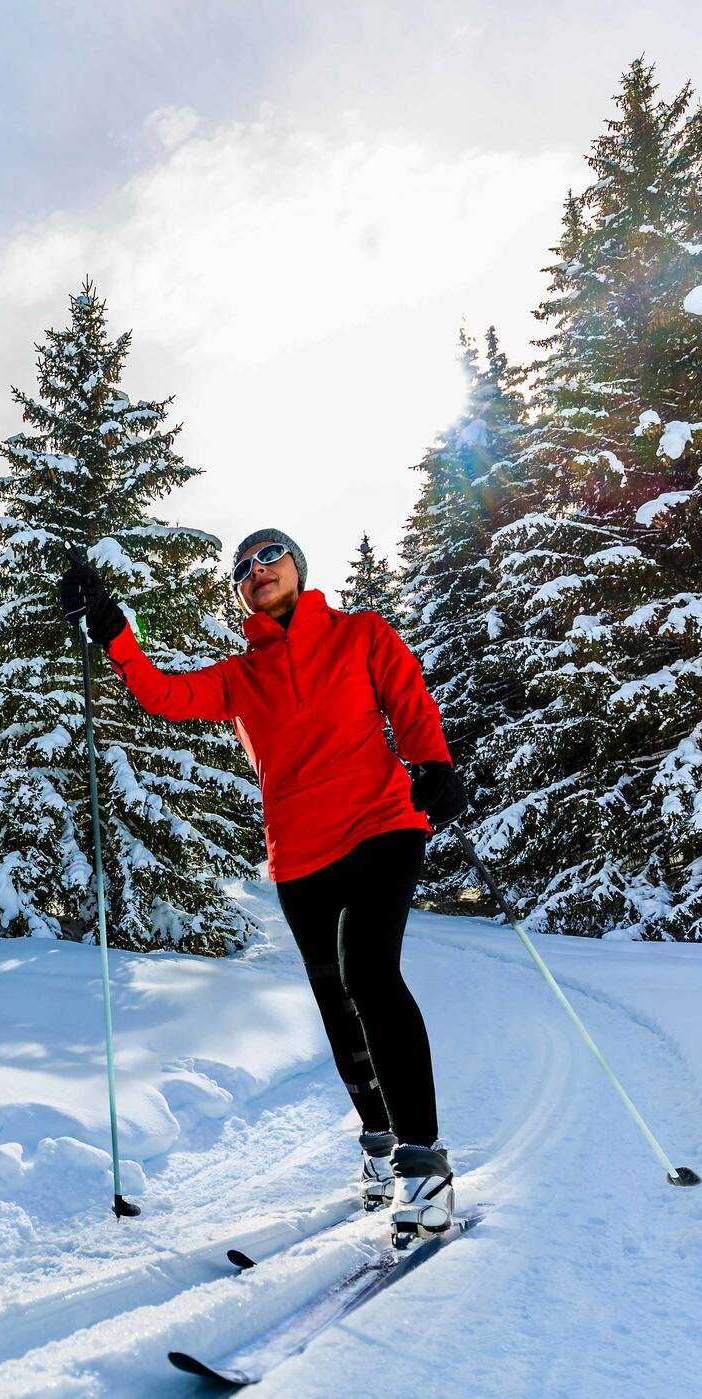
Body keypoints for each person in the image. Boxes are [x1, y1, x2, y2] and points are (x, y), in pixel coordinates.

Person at [57, 529, 471, 1243]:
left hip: (381, 823)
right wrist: (116, 633)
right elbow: (164, 695)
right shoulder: (242, 675)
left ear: (298, 566)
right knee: (337, 1003)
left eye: (269, 555)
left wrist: (433, 762)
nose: (256, 571)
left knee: (370, 972)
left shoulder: (361, 634)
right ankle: (377, 1140)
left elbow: (406, 696)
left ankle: (424, 1165)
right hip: (300, 854)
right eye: (243, 569)